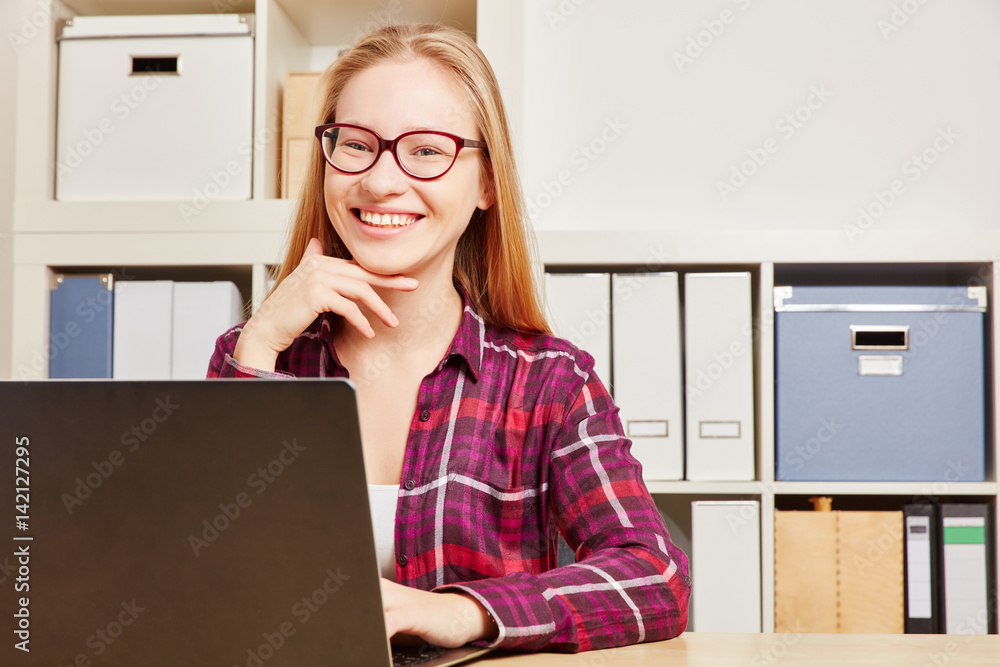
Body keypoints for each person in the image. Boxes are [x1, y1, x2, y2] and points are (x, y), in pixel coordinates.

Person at [208, 23, 690, 653]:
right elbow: (205, 581)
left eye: (428, 151)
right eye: (355, 145)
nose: (381, 182)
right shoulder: (254, 357)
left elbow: (655, 576)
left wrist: (462, 612)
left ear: (487, 183)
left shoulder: (549, 382)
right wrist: (259, 343)